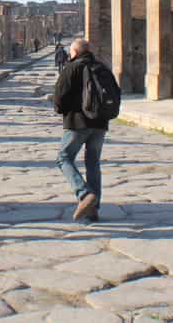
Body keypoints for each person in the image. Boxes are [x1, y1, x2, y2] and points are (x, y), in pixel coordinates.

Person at [52, 38, 108, 222]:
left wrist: (62, 110)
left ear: (74, 53)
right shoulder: (102, 68)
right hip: (100, 124)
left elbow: (59, 97)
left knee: (64, 158)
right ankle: (93, 210)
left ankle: (84, 194)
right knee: (93, 163)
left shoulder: (72, 68)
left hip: (78, 123)